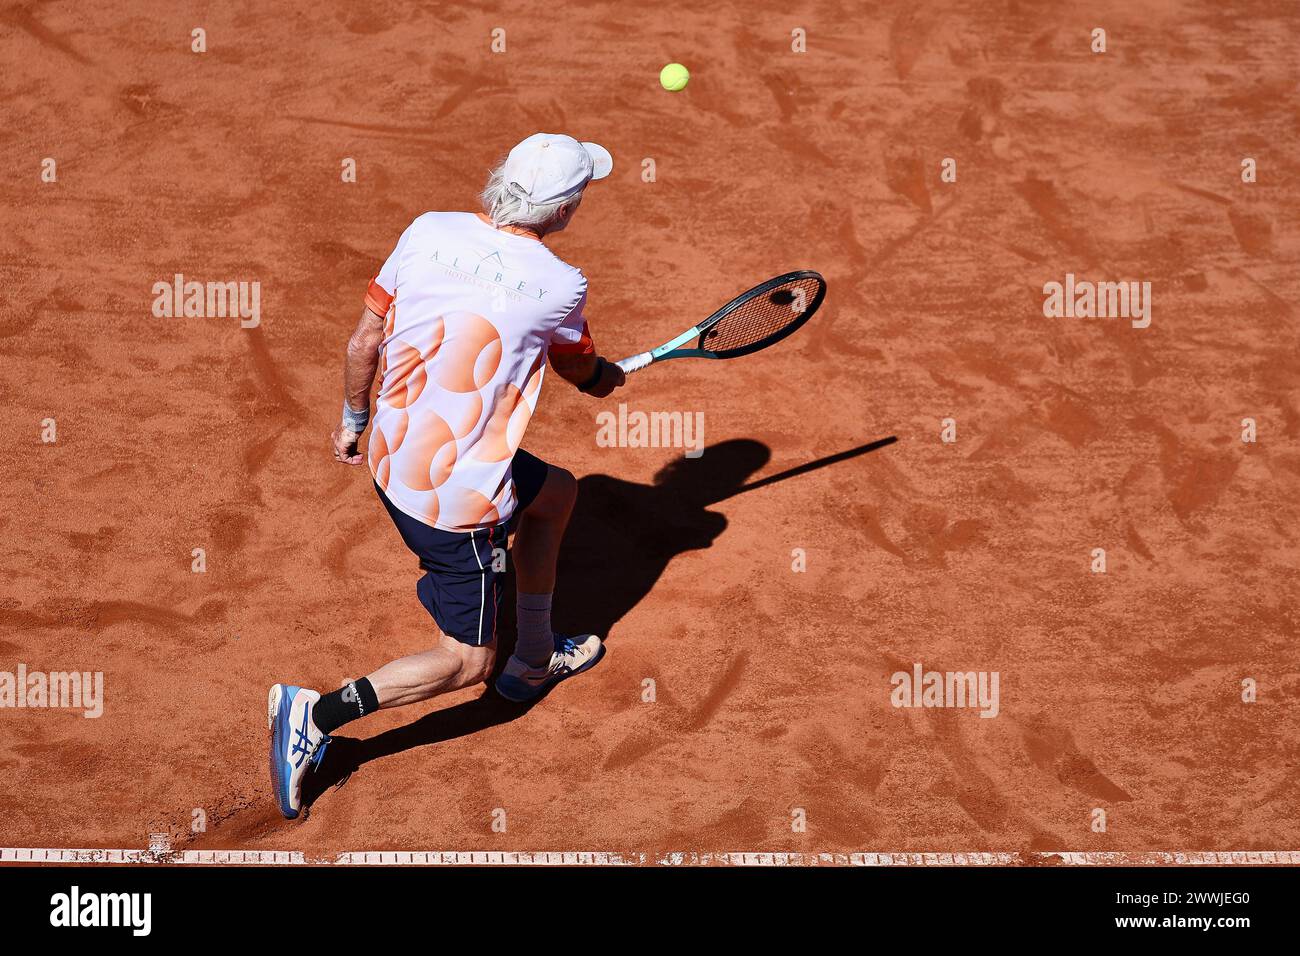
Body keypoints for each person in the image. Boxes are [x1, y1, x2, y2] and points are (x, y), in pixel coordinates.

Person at [267, 133, 626, 819]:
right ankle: (318, 713)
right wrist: (604, 378)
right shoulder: (561, 284)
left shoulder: (428, 229)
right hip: (457, 503)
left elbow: (363, 341)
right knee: (466, 663)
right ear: (565, 209)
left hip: (388, 454)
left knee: (557, 495)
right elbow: (582, 372)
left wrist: (351, 420)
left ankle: (535, 657)